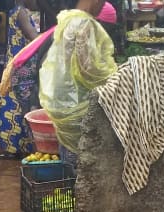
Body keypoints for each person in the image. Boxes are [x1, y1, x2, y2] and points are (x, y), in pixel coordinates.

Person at [38, 0, 117, 157]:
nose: (103, 4)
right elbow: (89, 70)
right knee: (82, 164)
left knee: (68, 160)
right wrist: (118, 76)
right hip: (77, 106)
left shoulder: (69, 20)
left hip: (63, 103)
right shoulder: (84, 23)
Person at [0, 0, 41, 157]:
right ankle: (23, 146)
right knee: (23, 104)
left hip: (16, 63)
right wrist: (52, 36)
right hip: (23, 66)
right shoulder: (21, 12)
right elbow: (33, 37)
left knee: (14, 103)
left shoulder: (14, 11)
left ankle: (14, 147)